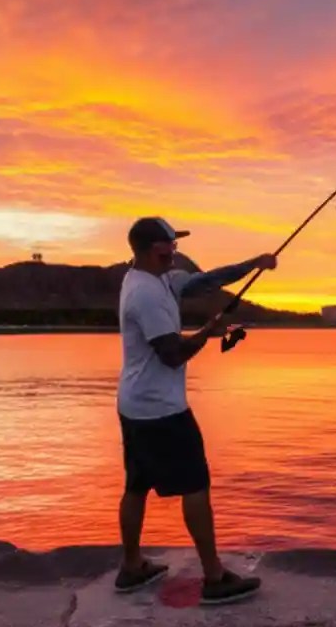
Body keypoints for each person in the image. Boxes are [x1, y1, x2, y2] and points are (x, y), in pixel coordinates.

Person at [113, 216, 277, 604]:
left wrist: (252, 264)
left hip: (134, 404)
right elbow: (172, 355)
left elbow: (206, 280)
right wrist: (210, 332)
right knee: (196, 486)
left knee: (136, 485)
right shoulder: (146, 295)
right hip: (160, 410)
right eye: (172, 245)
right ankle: (215, 578)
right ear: (156, 249)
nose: (177, 251)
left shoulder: (155, 279)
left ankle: (132, 567)